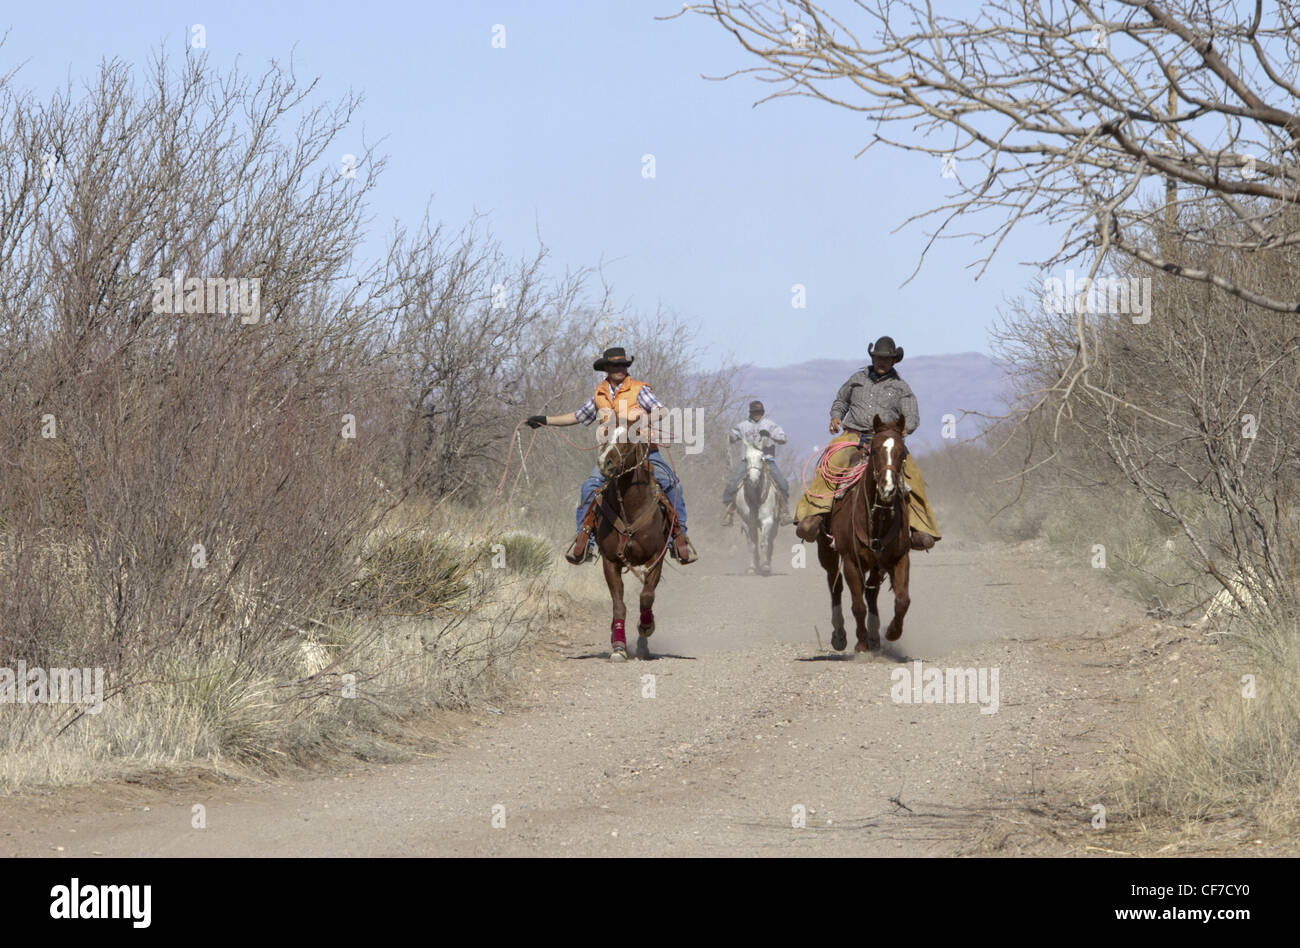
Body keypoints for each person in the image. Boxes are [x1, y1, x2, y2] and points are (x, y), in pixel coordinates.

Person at [525, 346, 697, 565]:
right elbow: (578, 416)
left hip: (643, 452)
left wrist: (638, 422)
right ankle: (585, 540)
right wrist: (545, 420)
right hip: (613, 454)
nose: (620, 369)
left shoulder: (638, 389)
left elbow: (660, 410)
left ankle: (678, 540)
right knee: (589, 487)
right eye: (615, 365)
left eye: (623, 365)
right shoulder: (600, 394)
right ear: (606, 368)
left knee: (672, 485)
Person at [792, 335, 942, 549]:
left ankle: (920, 528)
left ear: (894, 361)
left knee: (913, 475)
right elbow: (841, 400)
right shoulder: (856, 379)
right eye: (878, 357)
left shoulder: (901, 388)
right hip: (853, 436)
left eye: (886, 358)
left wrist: (904, 429)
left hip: (886, 438)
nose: (881, 362)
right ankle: (814, 514)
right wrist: (836, 416)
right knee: (832, 462)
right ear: (872, 358)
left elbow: (912, 416)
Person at [720, 400, 790, 526]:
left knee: (782, 484)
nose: (756, 414)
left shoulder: (770, 425)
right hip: (748, 460)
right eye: (754, 412)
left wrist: (770, 435)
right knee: (733, 483)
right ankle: (729, 512)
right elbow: (733, 436)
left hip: (767, 459)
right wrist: (729, 436)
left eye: (759, 412)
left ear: (762, 412)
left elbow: (783, 438)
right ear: (750, 413)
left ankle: (785, 511)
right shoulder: (743, 425)